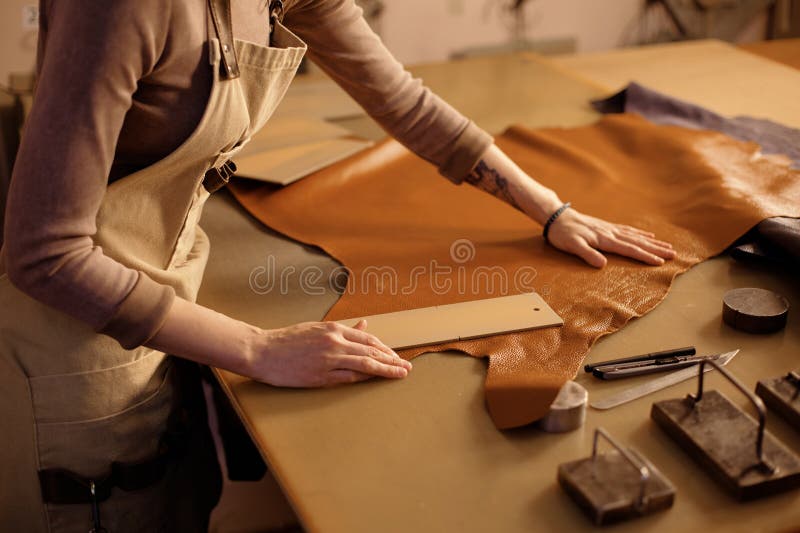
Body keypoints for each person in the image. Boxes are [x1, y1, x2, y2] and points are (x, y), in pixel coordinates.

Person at [0, 0, 676, 531]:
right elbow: (45, 252)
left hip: (163, 294)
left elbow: (403, 100)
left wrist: (551, 209)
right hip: (76, 348)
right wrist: (256, 347)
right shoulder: (121, 8)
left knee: (182, 501)